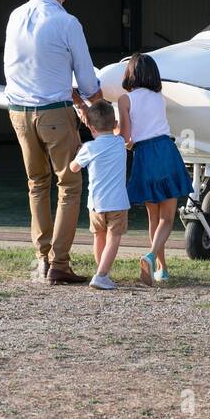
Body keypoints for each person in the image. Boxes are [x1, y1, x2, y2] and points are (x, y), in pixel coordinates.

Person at [4, 0, 101, 285]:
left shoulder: (15, 16)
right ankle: (59, 263)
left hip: (18, 112)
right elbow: (86, 78)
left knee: (36, 184)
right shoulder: (67, 22)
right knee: (70, 186)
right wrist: (97, 111)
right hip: (55, 114)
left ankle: (41, 259)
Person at [119, 53, 192, 286]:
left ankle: (161, 266)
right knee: (167, 218)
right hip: (166, 151)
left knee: (153, 217)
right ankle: (154, 260)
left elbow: (126, 137)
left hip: (145, 155)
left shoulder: (124, 100)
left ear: (130, 73)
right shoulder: (159, 98)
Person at [70, 101, 131, 290]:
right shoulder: (120, 142)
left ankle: (101, 272)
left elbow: (73, 168)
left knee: (99, 236)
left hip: (95, 204)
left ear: (91, 127)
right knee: (114, 238)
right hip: (118, 203)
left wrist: (79, 153)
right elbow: (124, 132)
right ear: (114, 125)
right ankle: (101, 275)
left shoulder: (89, 148)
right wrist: (121, 109)